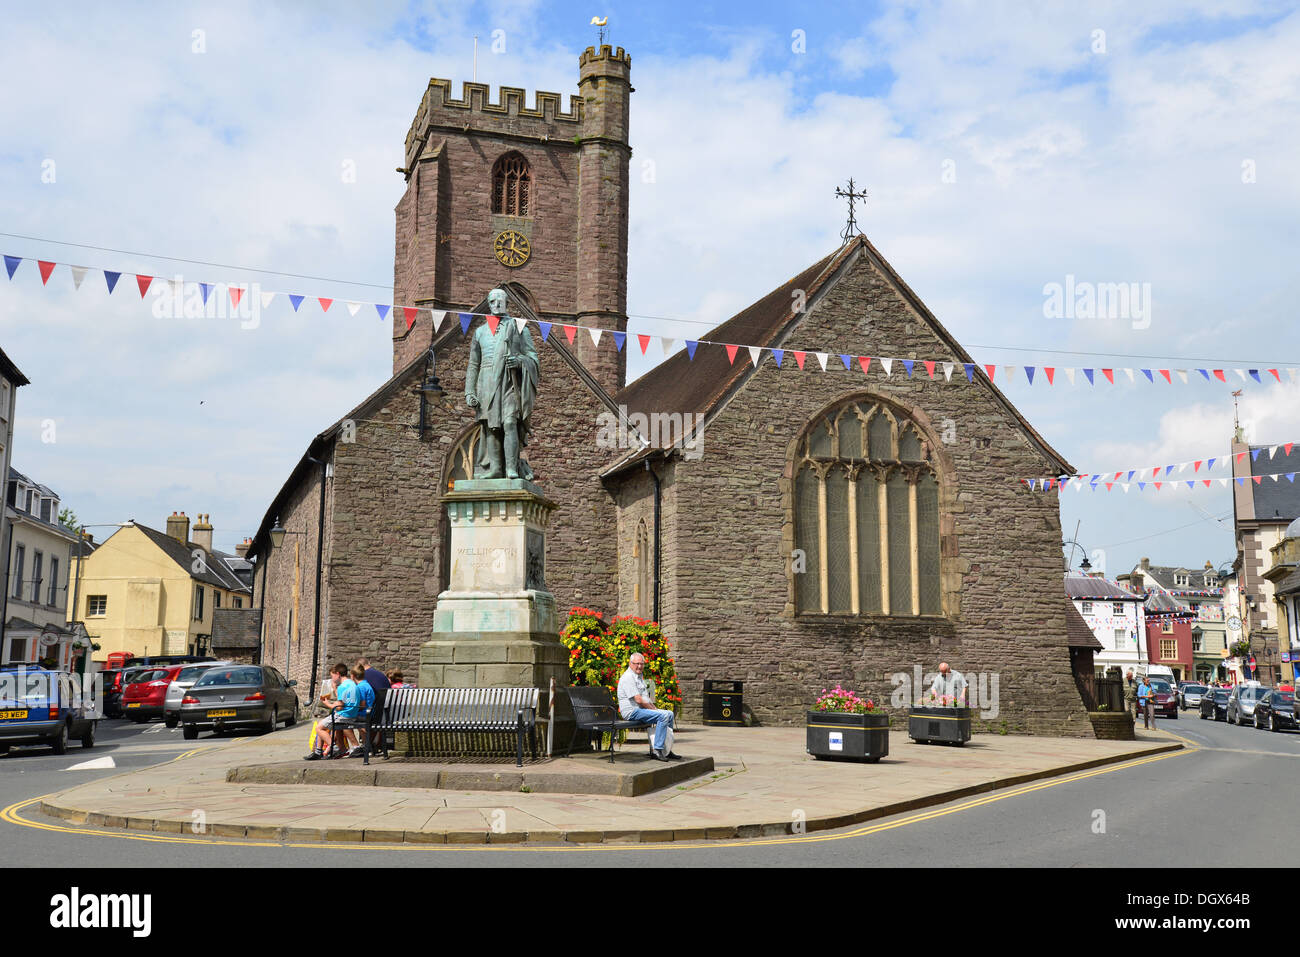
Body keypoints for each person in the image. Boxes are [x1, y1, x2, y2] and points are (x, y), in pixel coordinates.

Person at [617, 652, 680, 761]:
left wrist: (655, 709)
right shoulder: (628, 677)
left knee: (669, 714)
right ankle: (657, 750)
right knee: (663, 716)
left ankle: (667, 749)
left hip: (640, 709)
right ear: (630, 663)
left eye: (642, 664)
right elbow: (638, 700)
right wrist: (655, 711)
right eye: (637, 664)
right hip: (632, 711)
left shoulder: (638, 676)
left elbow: (645, 699)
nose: (640, 666)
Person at [305, 664, 352, 760]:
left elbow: (339, 707)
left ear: (337, 674)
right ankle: (320, 751)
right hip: (351, 713)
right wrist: (335, 690)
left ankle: (333, 747)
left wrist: (327, 703)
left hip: (345, 714)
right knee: (324, 724)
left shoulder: (343, 687)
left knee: (319, 728)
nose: (332, 678)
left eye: (332, 676)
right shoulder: (351, 683)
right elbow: (342, 702)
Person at [346, 666, 375, 758]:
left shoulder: (360, 687)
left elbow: (362, 705)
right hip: (370, 713)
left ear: (353, 676)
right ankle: (366, 746)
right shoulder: (366, 684)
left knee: (344, 722)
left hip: (365, 714)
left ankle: (356, 747)